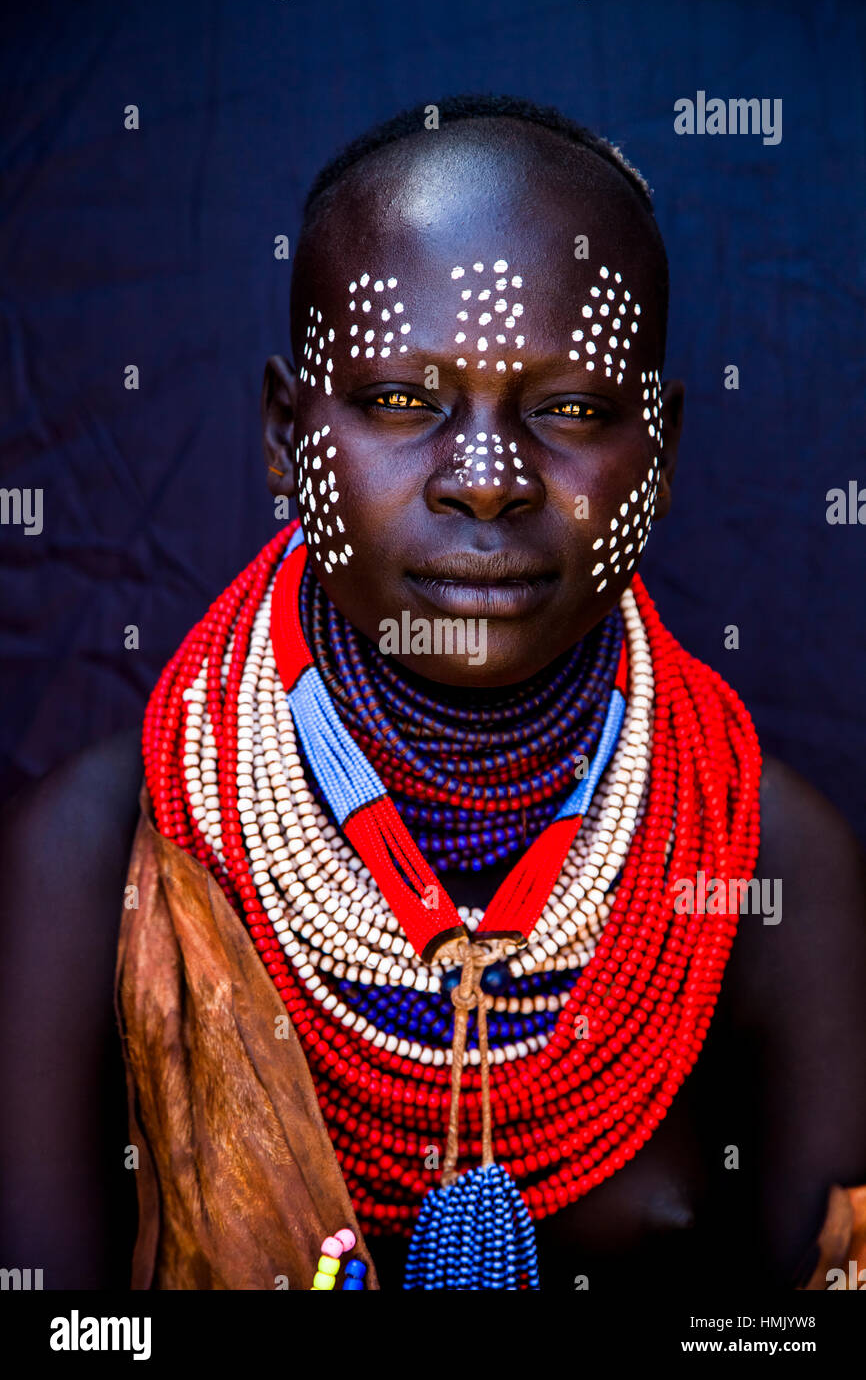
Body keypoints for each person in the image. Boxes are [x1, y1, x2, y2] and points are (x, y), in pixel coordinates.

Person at [2, 94, 865, 1293]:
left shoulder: (769, 869)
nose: (486, 481)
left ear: (658, 461)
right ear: (282, 435)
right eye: (402, 403)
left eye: (567, 409)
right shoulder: (95, 858)